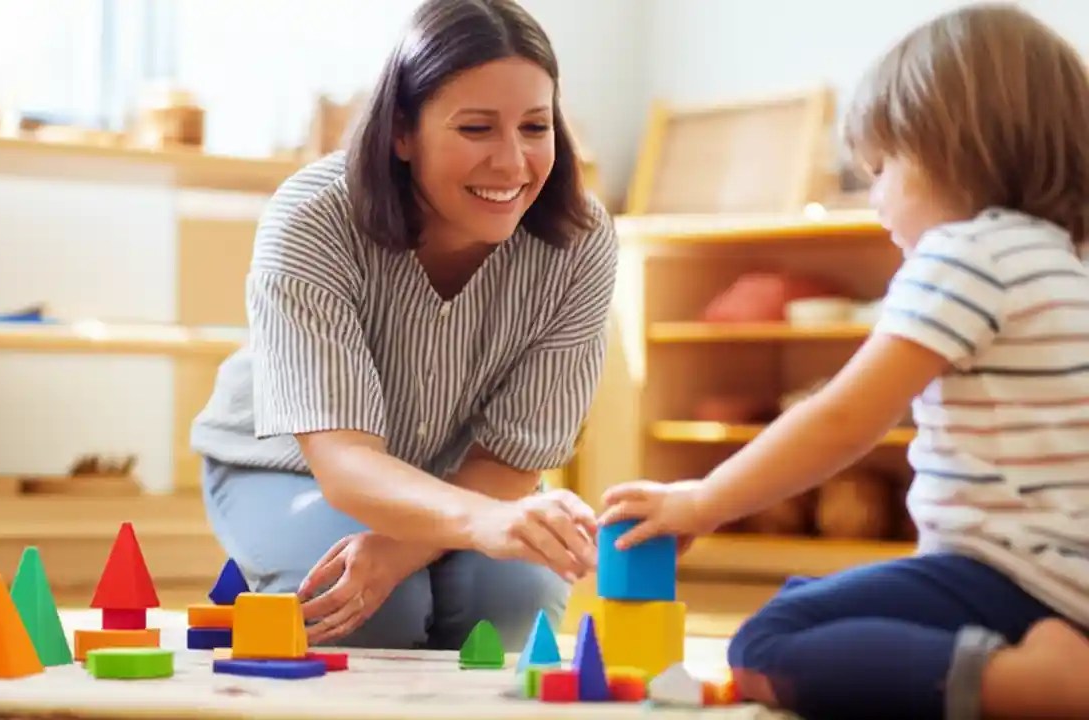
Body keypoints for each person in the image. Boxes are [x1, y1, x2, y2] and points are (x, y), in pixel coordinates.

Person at [598, 5, 1089, 720]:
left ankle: (1032, 686)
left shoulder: (962, 255)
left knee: (769, 639)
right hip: (1065, 582)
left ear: (953, 147)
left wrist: (701, 501)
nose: (876, 197)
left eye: (882, 169)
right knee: (808, 598)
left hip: (1009, 579)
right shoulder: (1064, 263)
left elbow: (845, 418)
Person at [191, 0, 615, 653]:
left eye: (535, 127)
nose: (513, 162)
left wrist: (401, 551)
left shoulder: (580, 243)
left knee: (509, 603)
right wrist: (469, 528)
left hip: (467, 481)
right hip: (284, 466)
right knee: (367, 613)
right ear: (401, 132)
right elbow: (344, 461)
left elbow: (511, 458)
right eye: (476, 128)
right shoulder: (312, 219)